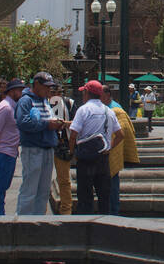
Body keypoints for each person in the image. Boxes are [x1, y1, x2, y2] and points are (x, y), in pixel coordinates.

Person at [15, 72, 67, 215]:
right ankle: (23, 222)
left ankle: (39, 220)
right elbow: (22, 122)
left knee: (43, 191)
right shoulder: (26, 101)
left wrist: (56, 124)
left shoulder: (44, 100)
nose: (48, 90)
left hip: (47, 148)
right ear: (36, 85)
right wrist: (46, 125)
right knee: (30, 190)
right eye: (46, 87)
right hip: (33, 149)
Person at [68, 80, 121, 214]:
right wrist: (109, 148)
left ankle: (85, 228)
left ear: (87, 93)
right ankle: (104, 228)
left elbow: (73, 134)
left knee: (85, 197)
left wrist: (71, 152)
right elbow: (121, 135)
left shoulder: (83, 110)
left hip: (85, 159)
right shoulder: (109, 112)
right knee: (104, 197)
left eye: (84, 92)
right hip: (103, 159)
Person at [0, 79, 24, 215]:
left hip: (10, 152)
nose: (21, 93)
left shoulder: (13, 106)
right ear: (12, 91)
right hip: (3, 151)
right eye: (19, 90)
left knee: (4, 185)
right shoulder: (5, 107)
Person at [99, 84, 140, 215]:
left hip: (112, 153)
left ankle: (113, 213)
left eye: (100, 95)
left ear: (107, 95)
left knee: (112, 186)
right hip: (104, 154)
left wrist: (110, 147)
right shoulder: (103, 108)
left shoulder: (115, 109)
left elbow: (124, 132)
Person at [47, 80, 74, 215]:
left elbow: (77, 123)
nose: (56, 95)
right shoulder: (44, 104)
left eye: (59, 92)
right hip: (45, 145)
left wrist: (63, 124)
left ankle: (66, 210)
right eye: (53, 92)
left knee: (64, 180)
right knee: (42, 179)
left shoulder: (69, 104)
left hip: (62, 144)